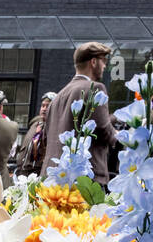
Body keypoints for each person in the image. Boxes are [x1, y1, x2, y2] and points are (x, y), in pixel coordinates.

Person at [42, 42, 119, 185]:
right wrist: (126, 137)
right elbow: (103, 130)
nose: (105, 66)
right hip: (84, 181)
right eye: (103, 61)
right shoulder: (95, 88)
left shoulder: (58, 97)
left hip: (53, 178)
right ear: (93, 62)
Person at [15, 91, 56, 178]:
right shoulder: (35, 124)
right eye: (43, 106)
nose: (44, 109)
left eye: (48, 106)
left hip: (38, 175)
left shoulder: (54, 129)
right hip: (23, 172)